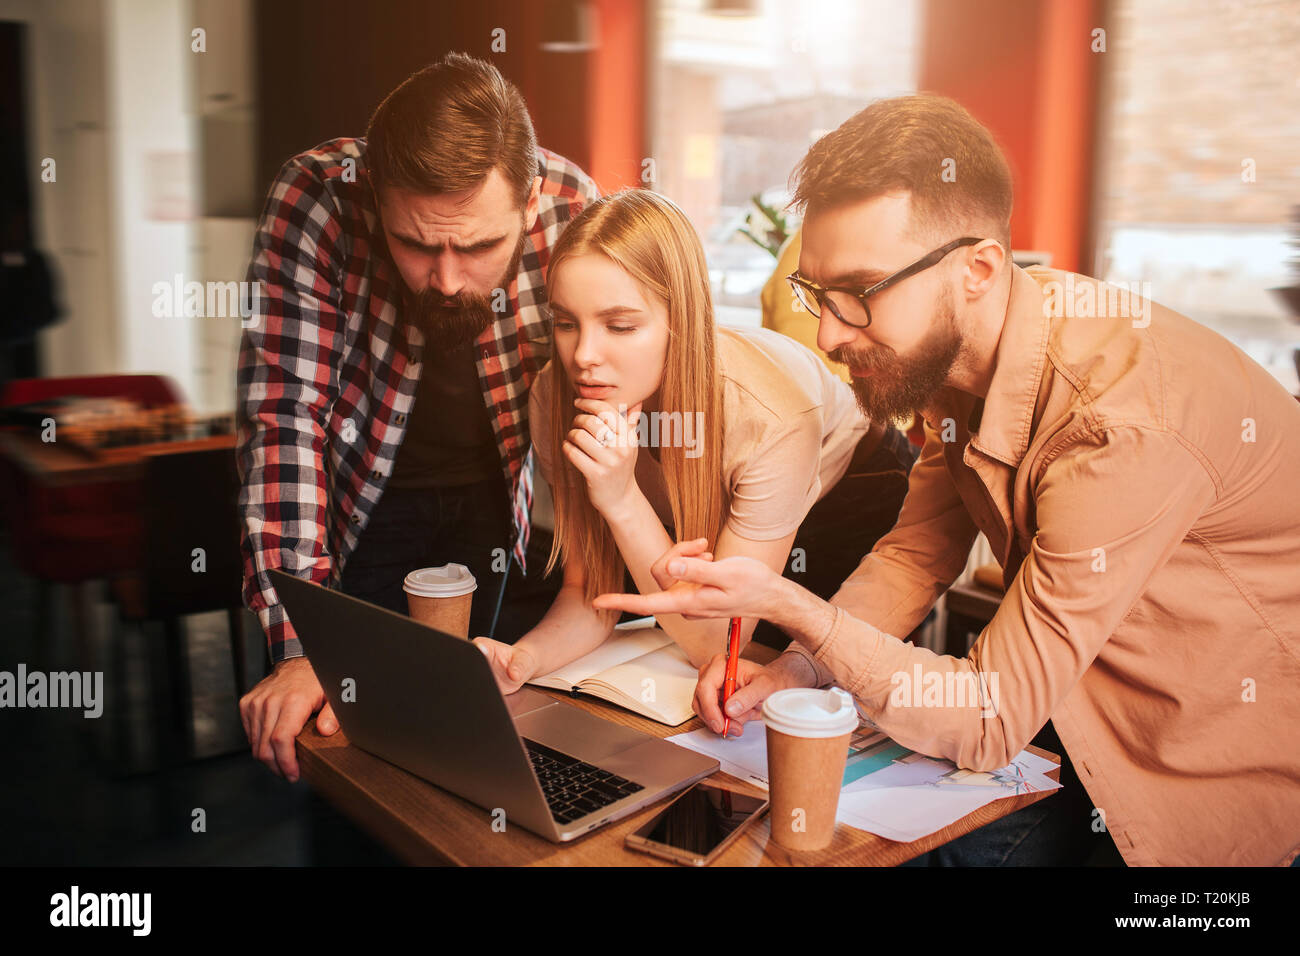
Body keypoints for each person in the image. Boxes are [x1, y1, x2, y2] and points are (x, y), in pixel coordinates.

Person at [592, 95, 1300, 867]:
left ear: (979, 269)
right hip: (1074, 710)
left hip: (1209, 761)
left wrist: (789, 607)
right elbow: (915, 553)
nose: (829, 334)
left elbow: (989, 719)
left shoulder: (1120, 427)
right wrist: (797, 666)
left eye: (858, 294)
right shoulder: (963, 358)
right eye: (816, 295)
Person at [236, 52, 599, 783]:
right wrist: (305, 644)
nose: (446, 279)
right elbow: (286, 415)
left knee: (503, 732)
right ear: (374, 194)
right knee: (355, 739)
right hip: (365, 504)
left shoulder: (574, 206)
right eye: (414, 243)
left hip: (512, 500)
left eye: (478, 246)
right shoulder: (317, 195)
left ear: (529, 204)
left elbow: (605, 394)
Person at [473, 189, 916, 691]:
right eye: (567, 323)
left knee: (817, 690)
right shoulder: (556, 397)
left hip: (852, 494)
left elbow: (714, 644)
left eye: (619, 326)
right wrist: (521, 659)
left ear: (680, 322)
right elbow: (590, 594)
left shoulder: (772, 418)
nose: (583, 356)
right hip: (722, 492)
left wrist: (621, 499)